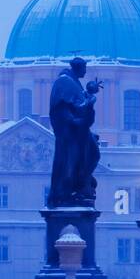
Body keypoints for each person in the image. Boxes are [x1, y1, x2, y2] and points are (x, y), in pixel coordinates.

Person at [48, 58, 101, 207]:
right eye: (85, 68)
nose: (86, 71)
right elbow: (72, 108)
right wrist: (88, 103)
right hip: (69, 134)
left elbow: (79, 105)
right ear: (78, 67)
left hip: (78, 132)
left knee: (91, 155)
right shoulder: (65, 82)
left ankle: (80, 187)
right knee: (71, 161)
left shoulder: (73, 82)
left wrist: (89, 98)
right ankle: (68, 192)